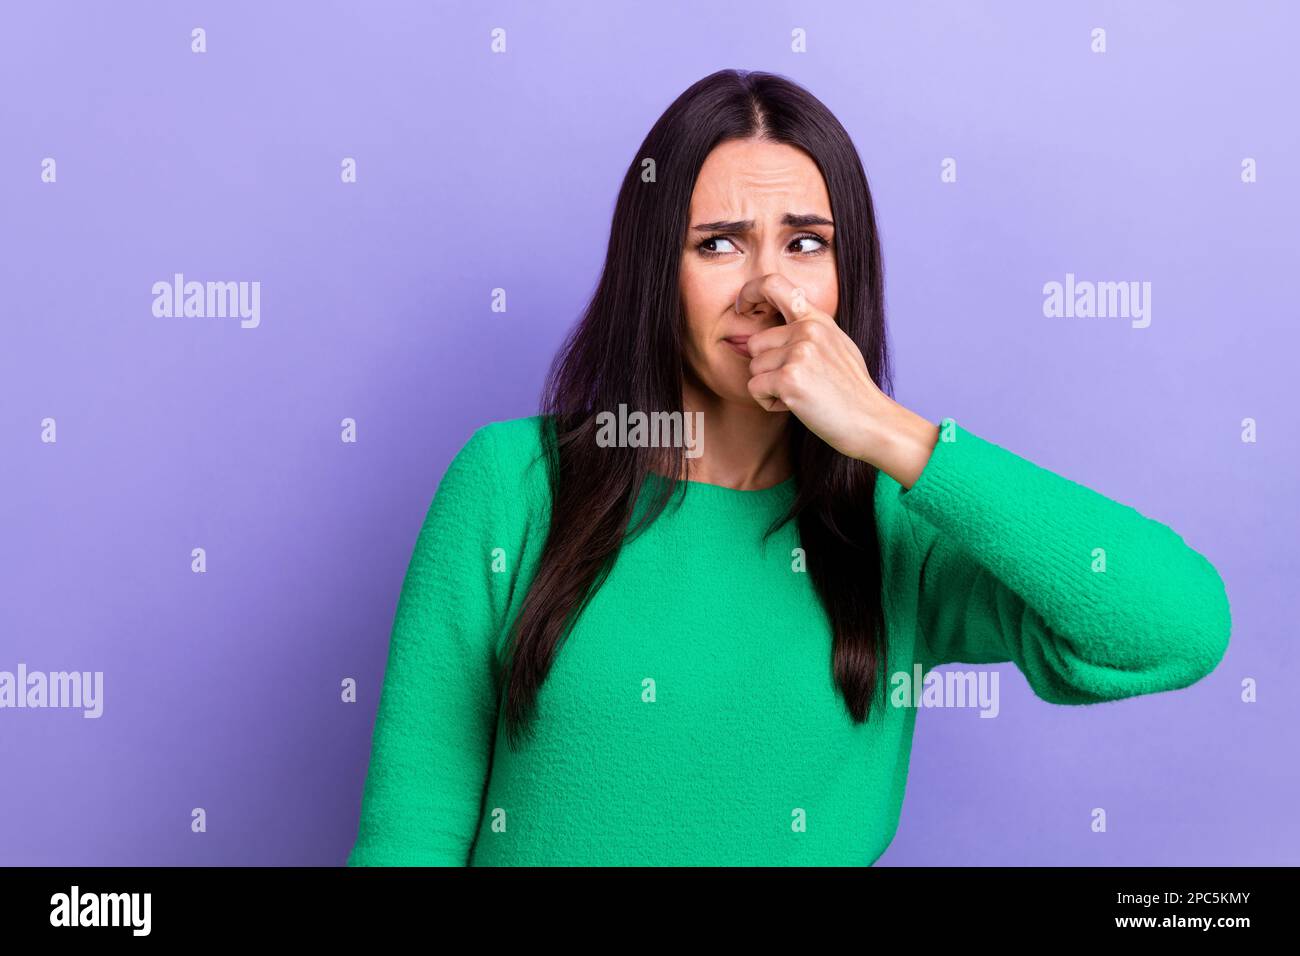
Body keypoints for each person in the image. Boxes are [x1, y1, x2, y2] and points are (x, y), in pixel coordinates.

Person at [345, 69, 1231, 867]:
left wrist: (895, 435)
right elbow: (413, 828)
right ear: (656, 271)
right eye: (719, 244)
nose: (768, 290)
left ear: (848, 276)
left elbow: (1179, 625)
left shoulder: (901, 523)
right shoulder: (511, 484)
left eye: (805, 243)